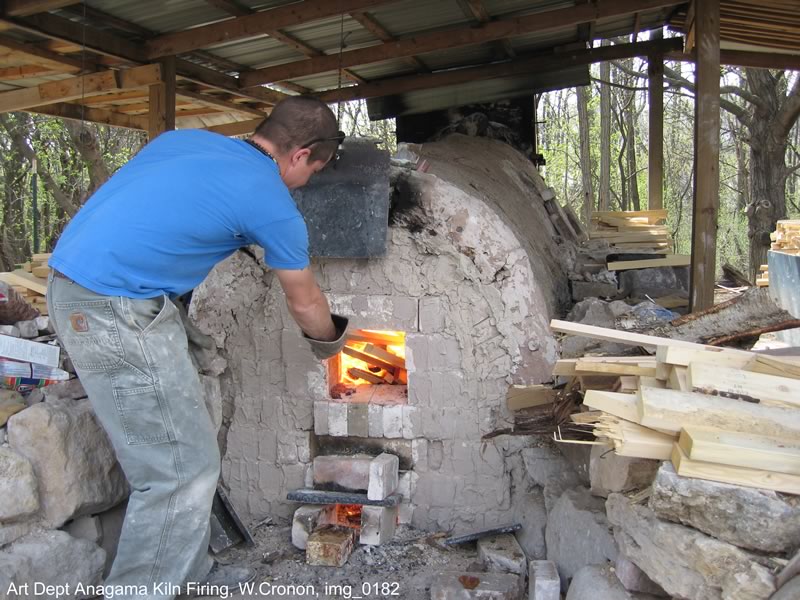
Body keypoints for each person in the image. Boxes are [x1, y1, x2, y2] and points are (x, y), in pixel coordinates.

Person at [46, 96, 349, 599]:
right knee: (179, 469)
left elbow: (155, 217)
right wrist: (333, 349)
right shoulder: (272, 202)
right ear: (301, 155)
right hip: (112, 306)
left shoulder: (181, 140)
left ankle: (187, 575)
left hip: (76, 284)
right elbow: (306, 302)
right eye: (313, 171)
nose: (308, 182)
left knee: (184, 447)